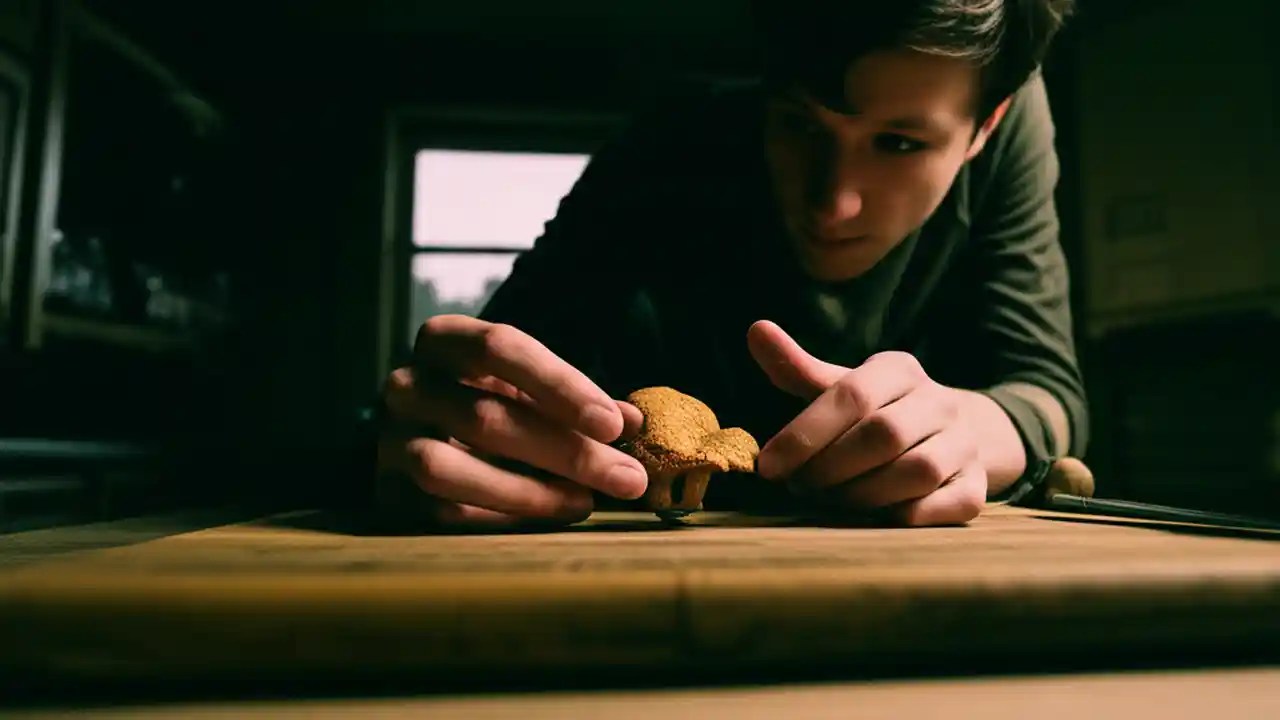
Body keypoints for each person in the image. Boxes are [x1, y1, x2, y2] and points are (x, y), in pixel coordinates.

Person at [377, 0, 1088, 529]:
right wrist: (449, 430)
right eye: (800, 124)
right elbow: (481, 387)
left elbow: (1049, 391)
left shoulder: (1011, 116)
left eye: (898, 144)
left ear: (983, 129)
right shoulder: (670, 143)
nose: (832, 204)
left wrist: (969, 426)